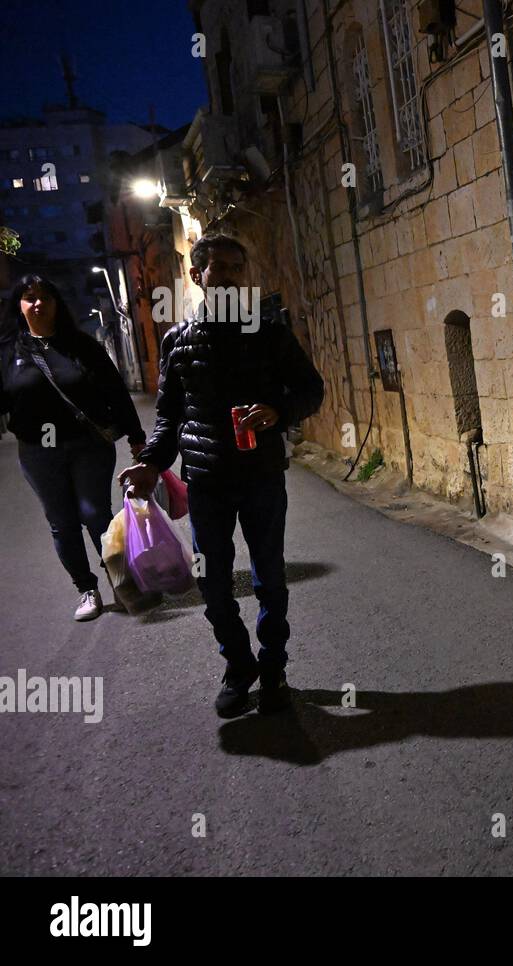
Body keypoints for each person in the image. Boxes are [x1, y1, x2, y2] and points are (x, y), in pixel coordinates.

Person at [118, 233, 324, 718]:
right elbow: (169, 416)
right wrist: (150, 463)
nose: (230, 276)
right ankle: (238, 664)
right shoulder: (178, 342)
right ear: (198, 275)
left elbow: (311, 389)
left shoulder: (269, 331)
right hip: (206, 480)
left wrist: (278, 409)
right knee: (212, 584)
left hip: (262, 475)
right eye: (220, 268)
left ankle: (273, 667)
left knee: (269, 576)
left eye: (237, 268)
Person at [0, 274, 146, 620]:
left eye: (45, 297)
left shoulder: (82, 346)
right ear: (19, 306)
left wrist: (137, 436)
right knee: (62, 522)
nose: (37, 303)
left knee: (95, 514)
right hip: (37, 451)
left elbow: (115, 390)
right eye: (29, 297)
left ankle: (123, 583)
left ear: (56, 304)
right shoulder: (8, 353)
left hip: (88, 444)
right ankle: (86, 589)